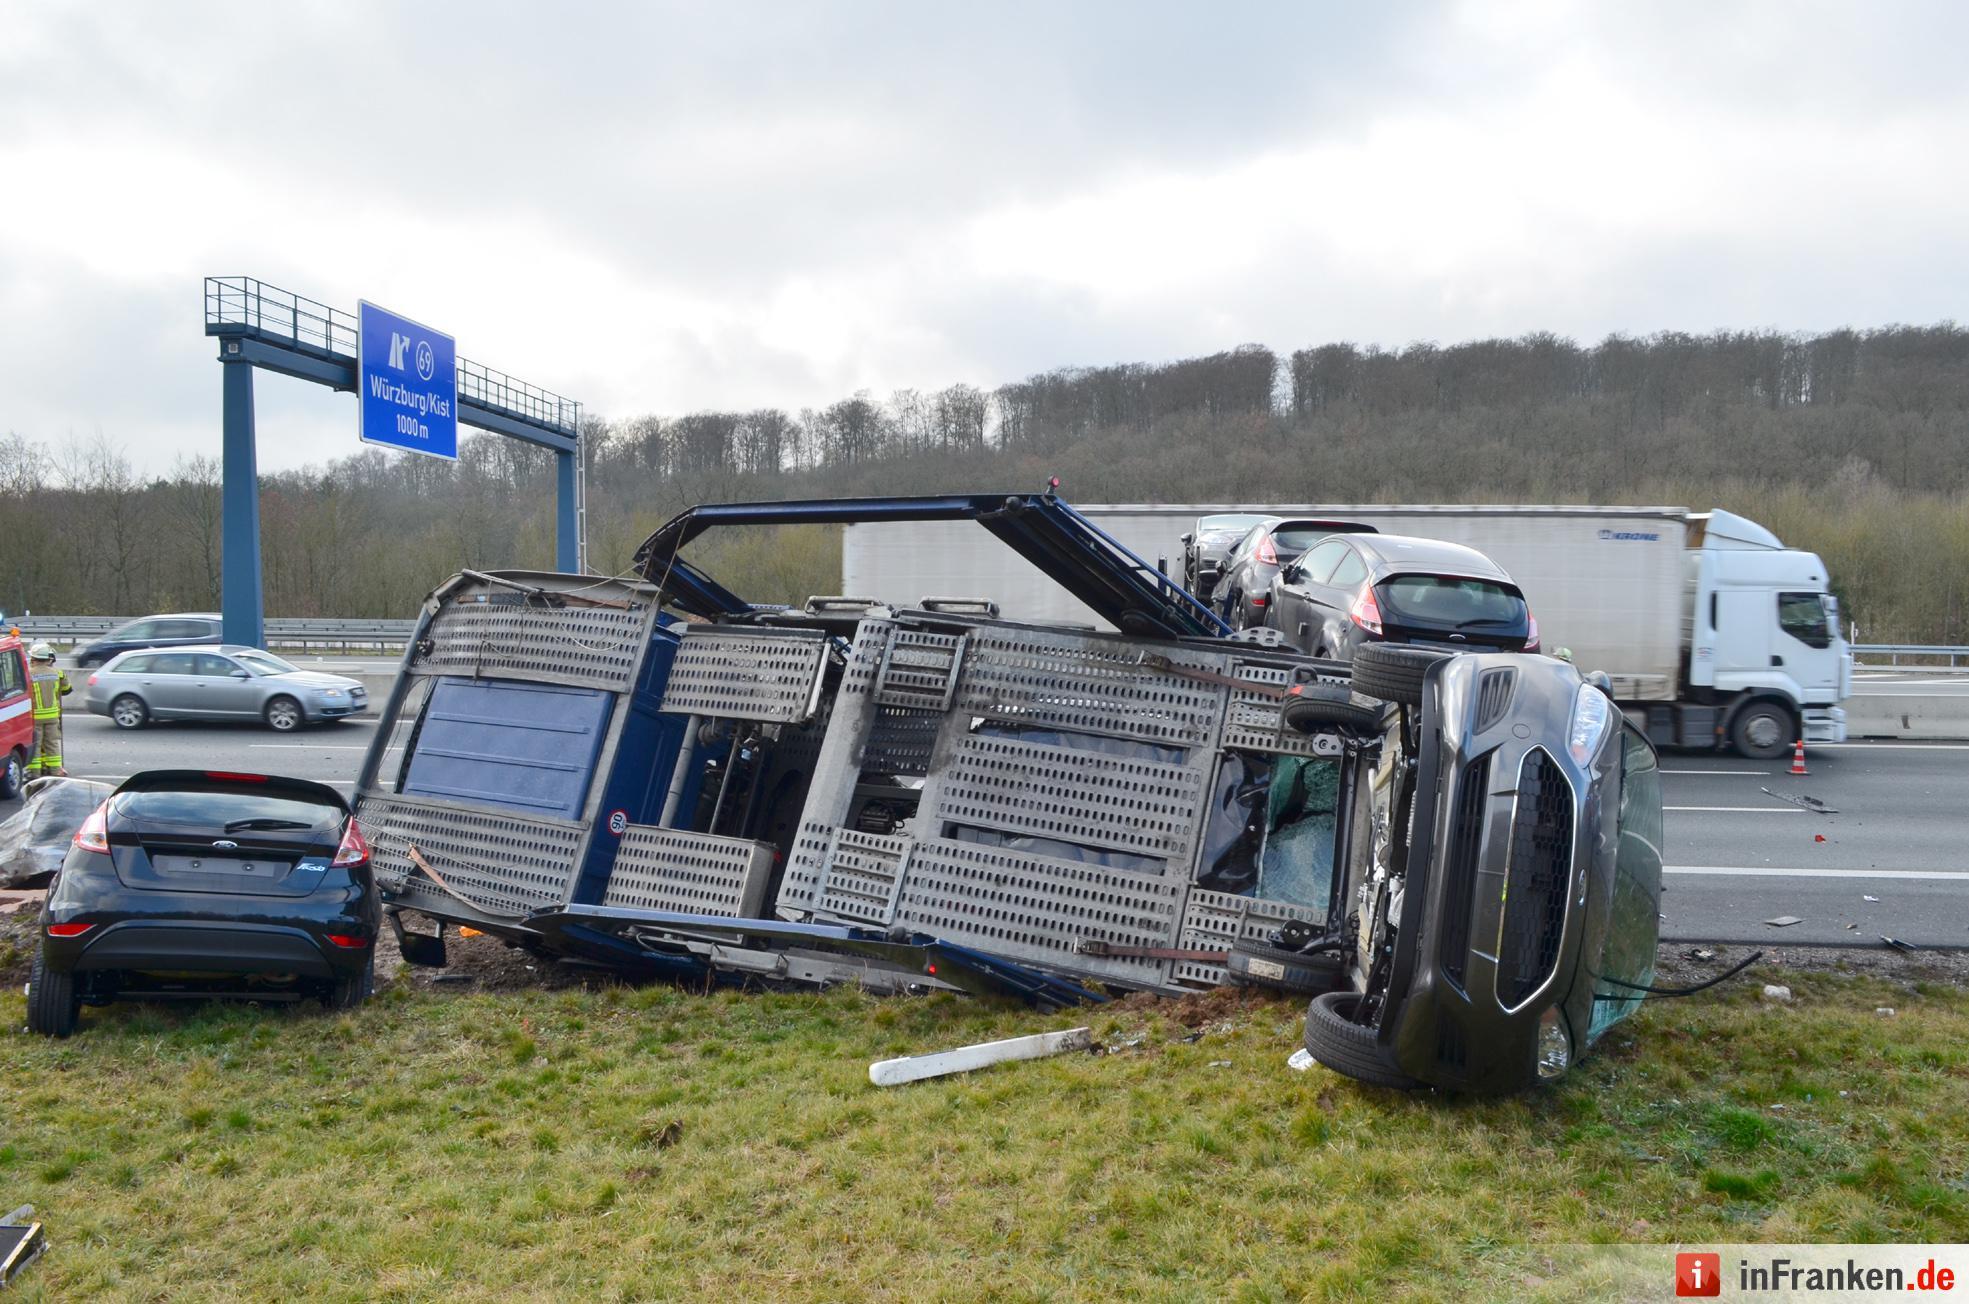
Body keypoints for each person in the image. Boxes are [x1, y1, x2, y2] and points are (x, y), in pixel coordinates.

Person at [27, 643, 70, 778]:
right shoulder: (58, 673)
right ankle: (55, 771)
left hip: (34, 718)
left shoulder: (28, 674)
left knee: (36, 746)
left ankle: (35, 774)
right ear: (49, 659)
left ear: (33, 659)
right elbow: (66, 690)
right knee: (52, 745)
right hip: (52, 716)